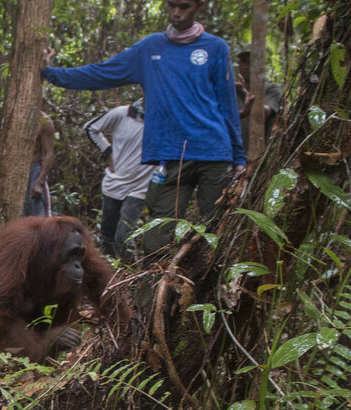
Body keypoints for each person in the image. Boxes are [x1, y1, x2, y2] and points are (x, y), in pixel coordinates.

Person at [41, 0, 246, 257]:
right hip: (172, 157)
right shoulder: (150, 48)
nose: (176, 13)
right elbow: (101, 73)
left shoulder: (215, 47)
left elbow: (227, 104)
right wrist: (51, 73)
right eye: (171, 5)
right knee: (155, 241)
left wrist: (239, 158)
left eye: (184, 7)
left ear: (198, 7)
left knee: (216, 231)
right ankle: (156, 294)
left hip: (214, 152)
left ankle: (212, 292)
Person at [84, 99, 154, 258]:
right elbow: (91, 128)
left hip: (140, 187)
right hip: (114, 183)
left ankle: (129, 274)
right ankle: (107, 275)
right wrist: (108, 152)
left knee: (123, 236)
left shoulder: (163, 118)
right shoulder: (122, 114)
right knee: (107, 237)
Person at [235, 47, 282, 149]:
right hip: (233, 153)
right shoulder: (231, 89)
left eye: (251, 62)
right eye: (244, 62)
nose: (247, 66)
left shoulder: (271, 89)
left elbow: (263, 113)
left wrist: (243, 93)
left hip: (259, 155)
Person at [24, 112, 54, 217]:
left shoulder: (44, 121)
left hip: (34, 171)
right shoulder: (13, 116)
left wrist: (39, 182)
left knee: (40, 219)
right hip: (15, 172)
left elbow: (49, 152)